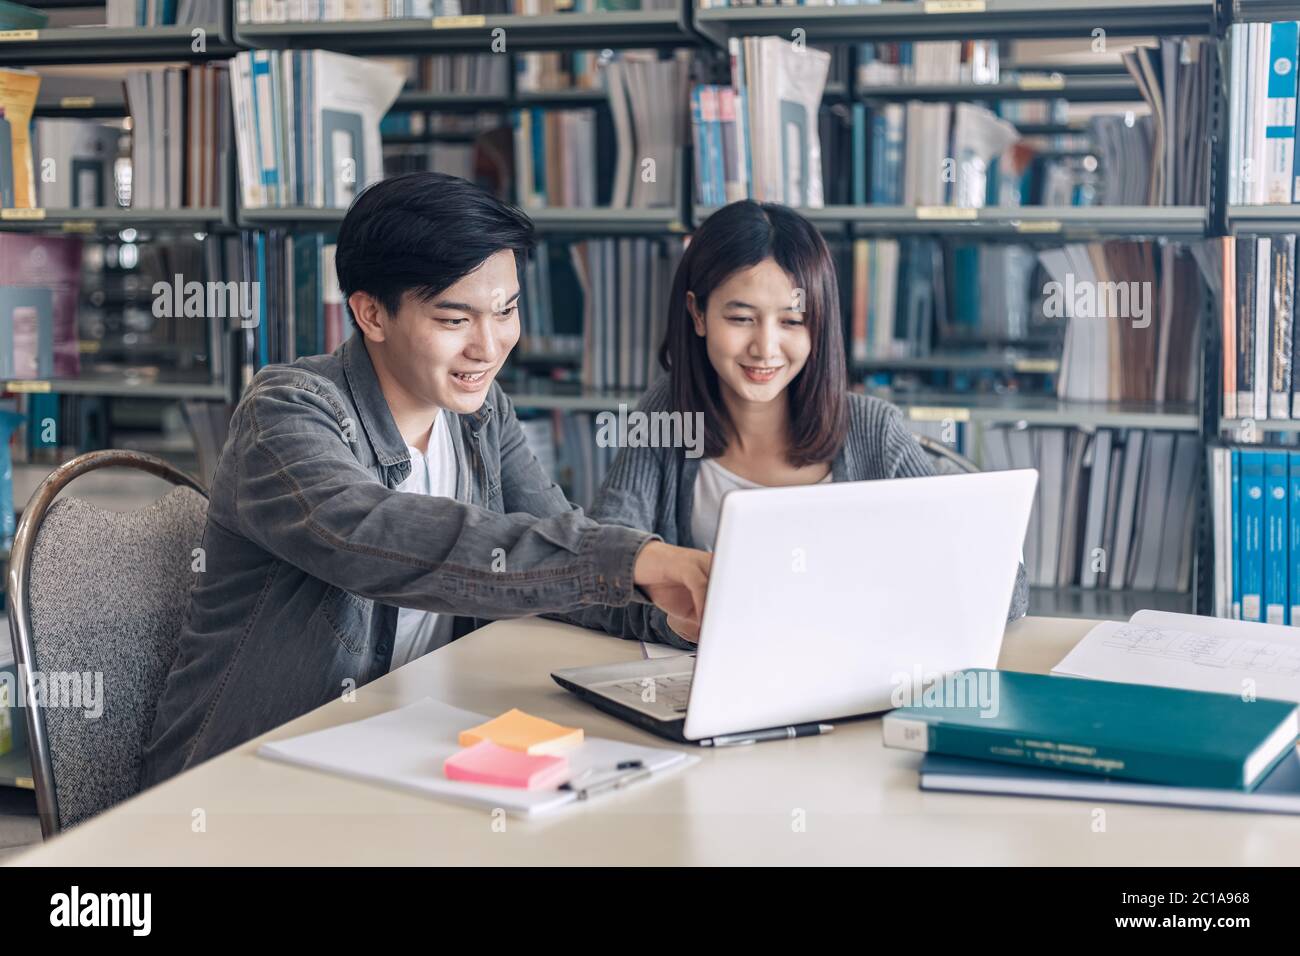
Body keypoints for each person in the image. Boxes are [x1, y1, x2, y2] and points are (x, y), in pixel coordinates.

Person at [140, 172, 710, 787]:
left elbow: (559, 556)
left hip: (402, 753)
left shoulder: (482, 416)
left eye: (507, 310)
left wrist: (668, 614)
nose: (488, 347)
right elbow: (374, 537)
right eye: (454, 319)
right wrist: (634, 560)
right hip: (246, 783)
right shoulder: (286, 411)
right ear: (370, 314)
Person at [550, 200, 1028, 648]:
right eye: (741, 318)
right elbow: (597, 577)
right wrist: (683, 627)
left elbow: (1007, 590)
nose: (766, 347)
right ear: (697, 314)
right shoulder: (666, 415)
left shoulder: (872, 431)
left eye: (792, 321)